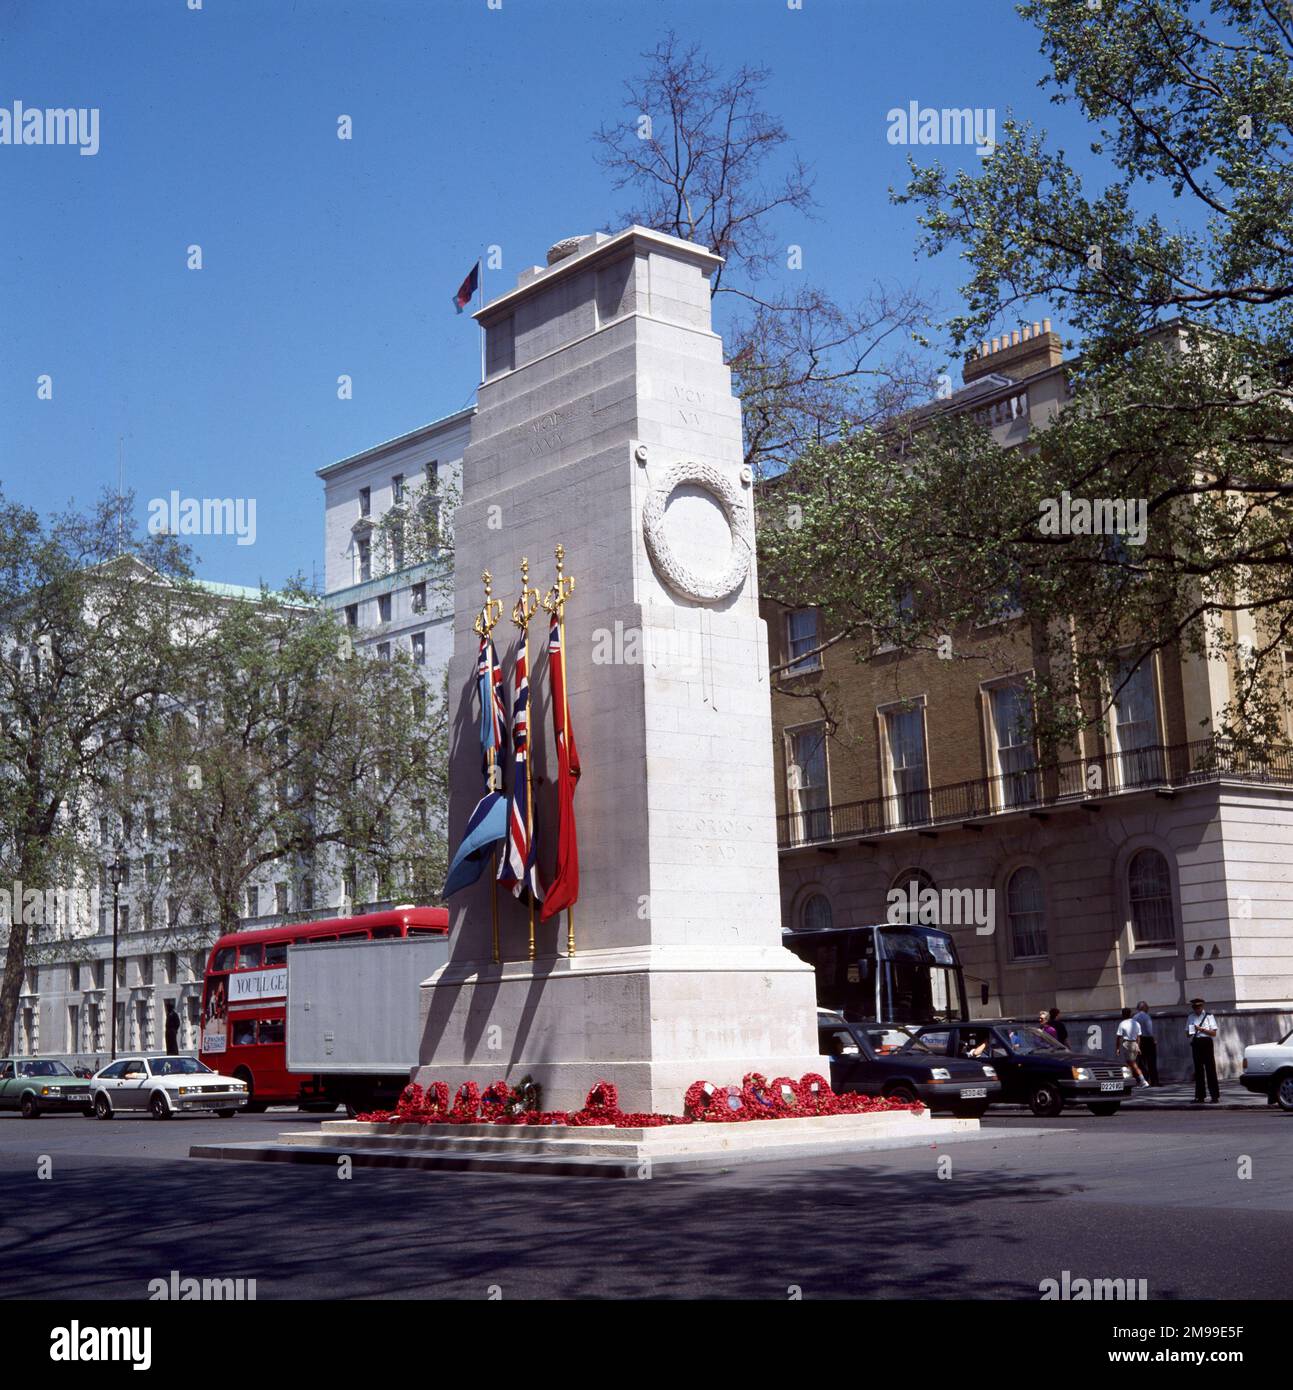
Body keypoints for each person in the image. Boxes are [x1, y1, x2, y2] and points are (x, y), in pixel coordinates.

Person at [1187, 997, 1220, 1104]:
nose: (1197, 1009)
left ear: (1202, 1006)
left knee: (1210, 1069)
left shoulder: (1209, 1016)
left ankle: (1214, 1096)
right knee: (1198, 1070)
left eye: (1198, 1007)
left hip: (1206, 1042)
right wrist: (1191, 1030)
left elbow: (1214, 1033)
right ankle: (1200, 1096)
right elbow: (1187, 1034)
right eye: (1195, 1007)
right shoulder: (1190, 1017)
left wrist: (1202, 1029)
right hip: (1196, 1042)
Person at [1116, 1007, 1149, 1086]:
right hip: (1135, 1044)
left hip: (1127, 1044)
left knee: (1132, 1064)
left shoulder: (1122, 1023)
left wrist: (1117, 1048)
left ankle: (1143, 1081)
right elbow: (1138, 1037)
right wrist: (1138, 1046)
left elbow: (1118, 1037)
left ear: (1123, 1014)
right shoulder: (1136, 1023)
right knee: (1130, 1064)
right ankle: (1129, 1081)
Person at [1132, 1000, 1159, 1086]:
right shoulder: (1146, 1017)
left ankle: (1143, 1080)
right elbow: (1149, 1029)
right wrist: (1154, 1039)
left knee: (1141, 1062)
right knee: (1151, 1061)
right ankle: (1154, 1081)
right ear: (1143, 1007)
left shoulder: (1134, 1017)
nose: (1148, 1008)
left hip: (1138, 1040)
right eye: (1147, 1006)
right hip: (1147, 1040)